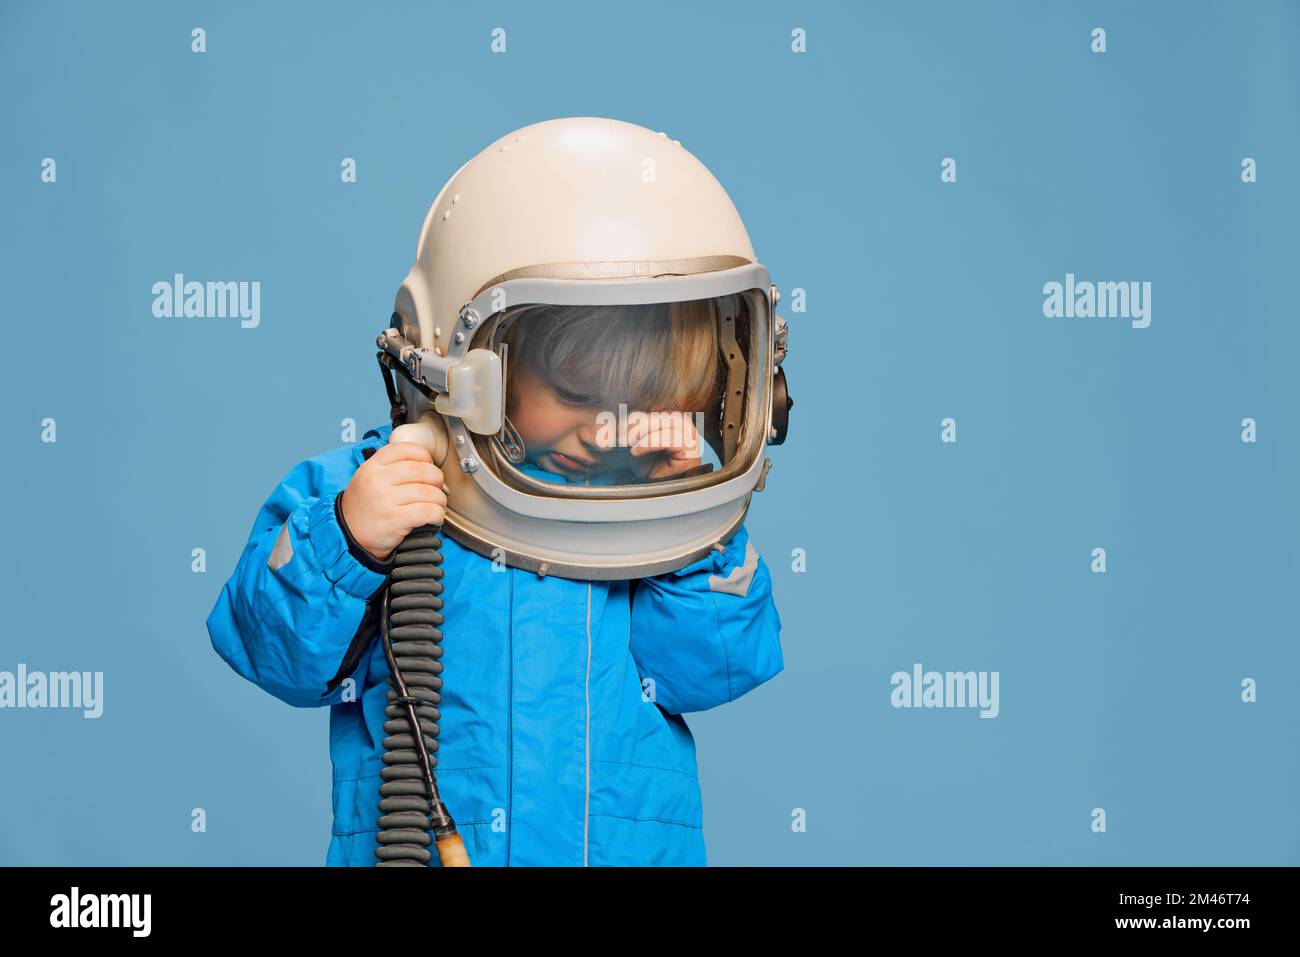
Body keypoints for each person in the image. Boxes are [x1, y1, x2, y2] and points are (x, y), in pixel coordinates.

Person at [206, 117, 789, 866]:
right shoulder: (374, 488)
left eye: (645, 400)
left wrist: (692, 528)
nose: (610, 427)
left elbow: (714, 667)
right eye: (579, 390)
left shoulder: (658, 515)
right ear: (465, 356)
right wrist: (346, 541)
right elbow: (267, 653)